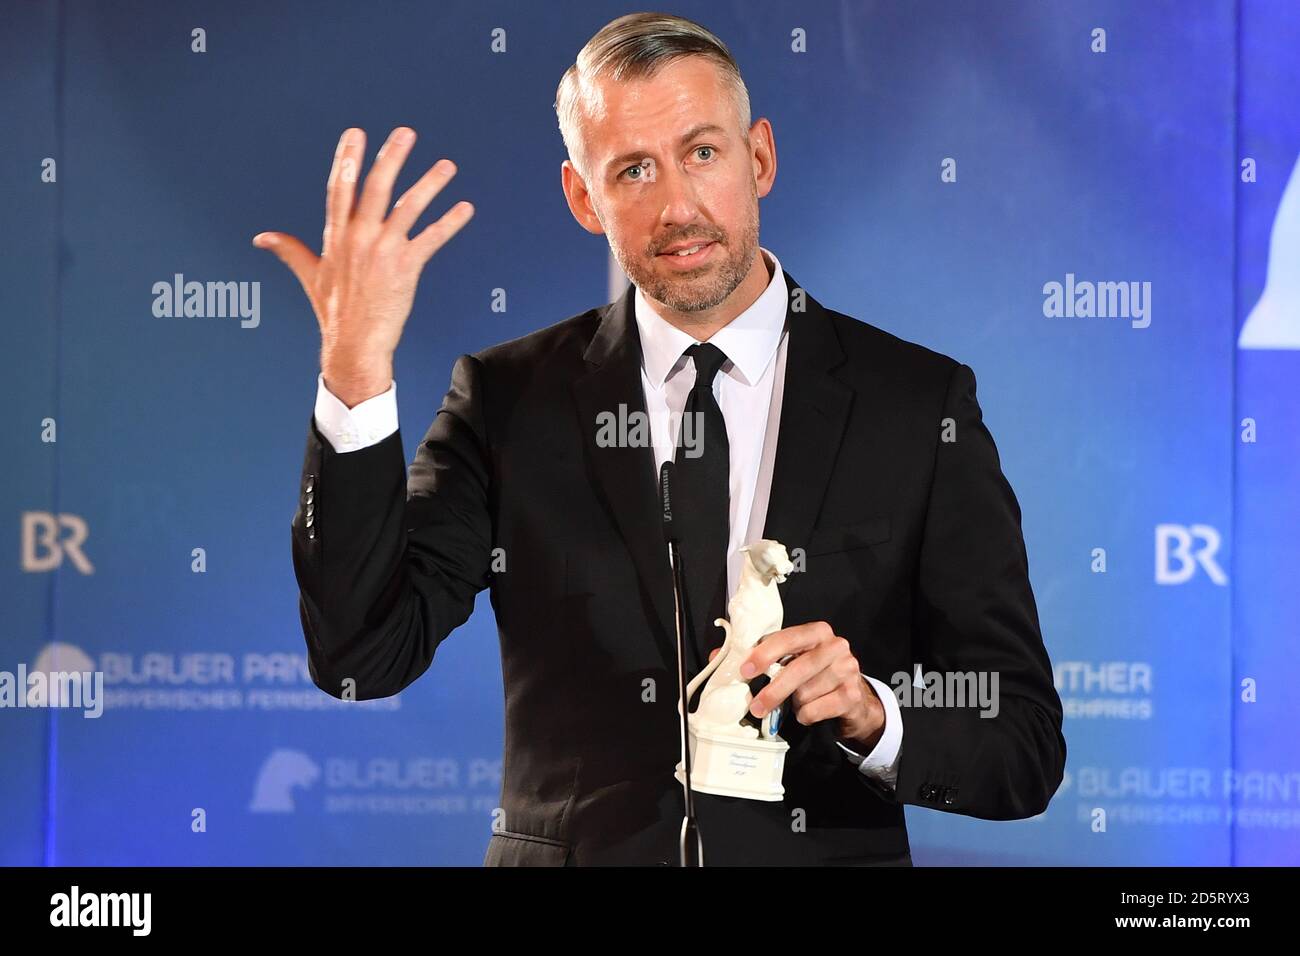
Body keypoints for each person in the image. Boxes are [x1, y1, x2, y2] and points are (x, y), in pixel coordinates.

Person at [253, 12, 1065, 866]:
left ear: (760, 158)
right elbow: (361, 653)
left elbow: (1021, 747)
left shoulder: (915, 404)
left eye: (702, 153)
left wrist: (873, 713)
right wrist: (355, 367)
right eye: (633, 170)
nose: (677, 205)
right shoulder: (507, 399)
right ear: (581, 197)